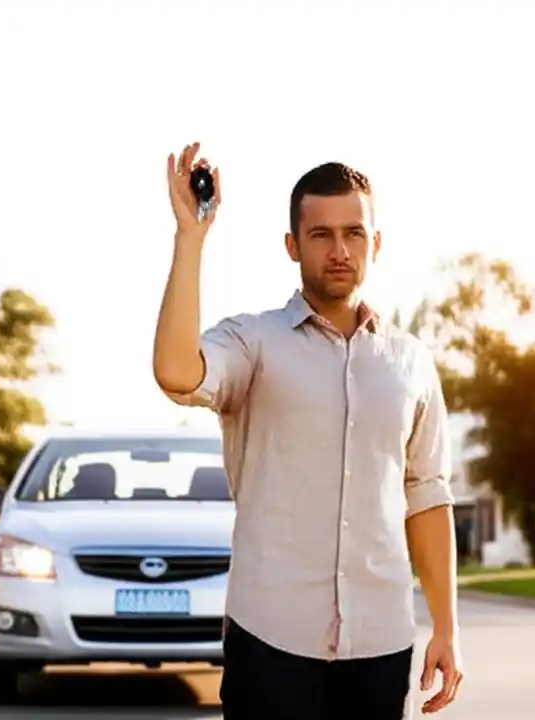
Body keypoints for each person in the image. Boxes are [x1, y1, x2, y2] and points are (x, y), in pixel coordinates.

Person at [152, 143, 464, 718]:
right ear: (293, 246)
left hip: (381, 641)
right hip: (271, 640)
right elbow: (175, 371)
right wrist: (190, 239)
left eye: (354, 233)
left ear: (376, 243)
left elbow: (426, 494)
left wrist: (445, 627)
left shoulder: (410, 361)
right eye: (321, 235)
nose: (339, 250)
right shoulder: (253, 343)